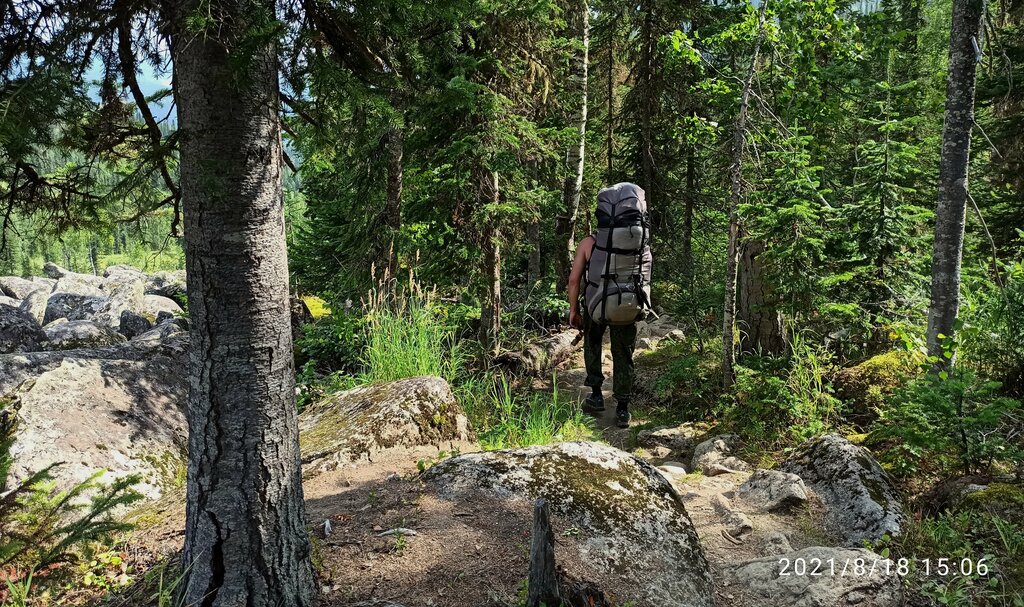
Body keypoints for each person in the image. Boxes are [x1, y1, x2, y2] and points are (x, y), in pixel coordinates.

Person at [567, 233, 638, 428]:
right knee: (623, 352)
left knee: (593, 344)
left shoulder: (589, 243)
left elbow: (574, 280)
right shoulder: (637, 241)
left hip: (594, 304)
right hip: (626, 304)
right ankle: (623, 409)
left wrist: (574, 310)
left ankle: (597, 396)